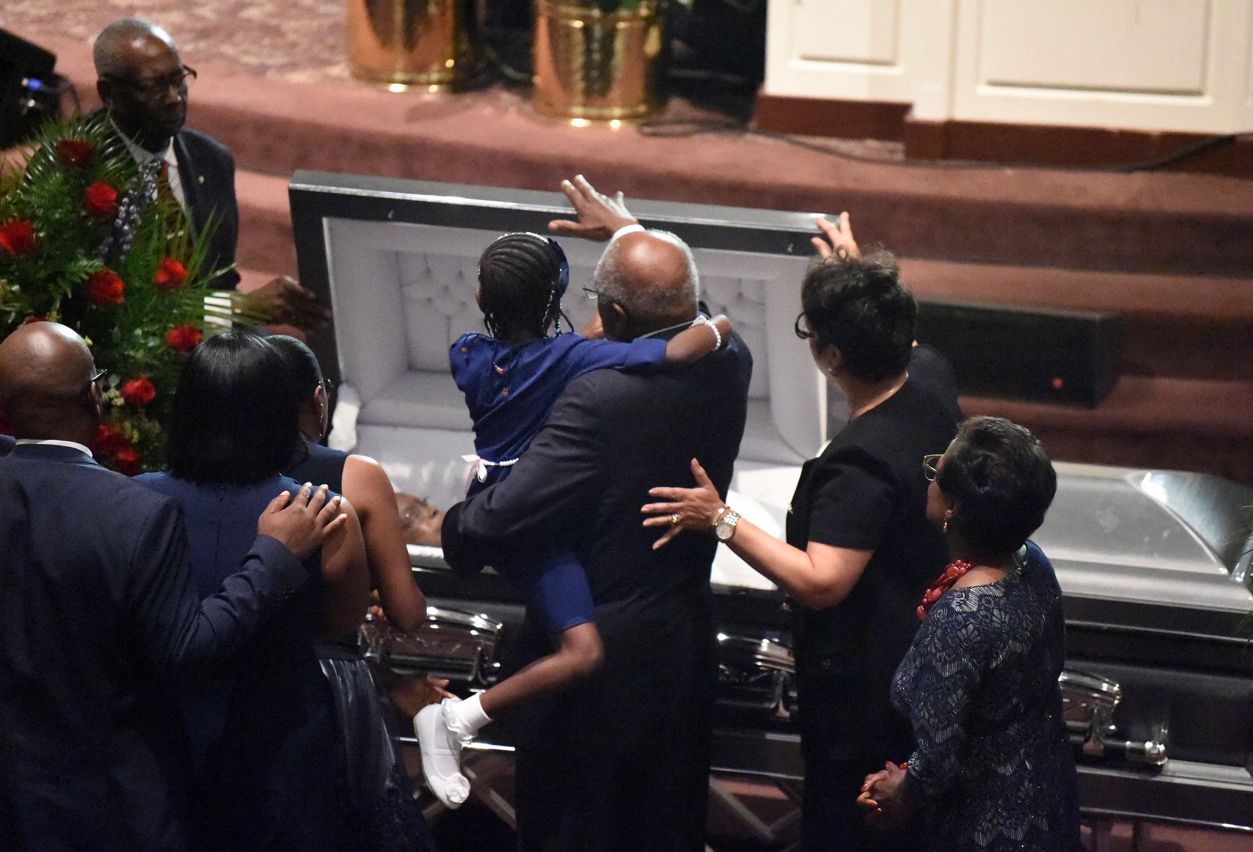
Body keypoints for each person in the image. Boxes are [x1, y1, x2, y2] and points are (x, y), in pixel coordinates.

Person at [442, 176, 752, 850]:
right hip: (681, 645)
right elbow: (686, 312)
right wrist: (630, 233)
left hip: (593, 669)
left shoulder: (596, 397)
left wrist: (453, 528)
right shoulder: (731, 359)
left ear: (609, 315)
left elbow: (501, 517)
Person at [641, 212, 962, 850]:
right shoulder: (929, 377)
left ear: (831, 355)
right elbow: (904, 332)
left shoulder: (860, 461)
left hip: (865, 693)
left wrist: (720, 518)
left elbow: (821, 582)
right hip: (920, 659)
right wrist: (857, 278)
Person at [0, 321, 342, 850]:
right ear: (94, 396)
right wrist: (272, 556)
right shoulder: (132, 512)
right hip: (108, 800)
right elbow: (187, 648)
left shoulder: (135, 498)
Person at [136, 332, 371, 849]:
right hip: (281, 741)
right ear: (280, 413)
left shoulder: (132, 501)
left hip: (162, 736)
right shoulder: (327, 513)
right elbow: (341, 624)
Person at [857, 416, 1079, 850]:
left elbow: (938, 761)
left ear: (953, 507)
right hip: (1046, 797)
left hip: (980, 827)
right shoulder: (1033, 561)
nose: (929, 477)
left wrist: (899, 788)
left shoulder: (962, 615)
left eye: (936, 470)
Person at [269, 334, 441, 846]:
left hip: (239, 672)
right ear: (318, 399)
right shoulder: (356, 476)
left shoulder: (222, 473)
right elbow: (407, 612)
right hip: (328, 685)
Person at [92, 18, 328, 328]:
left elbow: (221, 281)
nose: (174, 97)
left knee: (287, 353)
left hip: (207, 340)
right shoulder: (78, 171)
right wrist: (237, 309)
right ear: (108, 92)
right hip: (113, 346)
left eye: (179, 79)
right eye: (154, 87)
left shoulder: (211, 159)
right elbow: (101, 307)